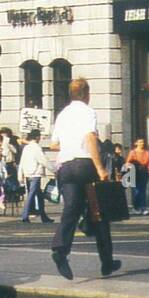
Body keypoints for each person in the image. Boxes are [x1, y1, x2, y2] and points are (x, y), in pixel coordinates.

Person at [49, 78, 120, 280]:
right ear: (86, 94)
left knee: (71, 208)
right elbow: (89, 139)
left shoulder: (62, 114)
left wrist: (70, 144)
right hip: (84, 165)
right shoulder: (88, 112)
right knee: (100, 212)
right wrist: (100, 168)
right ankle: (107, 261)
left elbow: (54, 144)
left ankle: (60, 250)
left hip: (65, 167)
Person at [18, 131, 54, 224]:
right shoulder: (36, 148)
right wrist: (54, 170)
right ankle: (25, 215)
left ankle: (43, 216)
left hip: (28, 173)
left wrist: (20, 174)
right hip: (35, 174)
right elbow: (44, 160)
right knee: (31, 195)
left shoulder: (26, 147)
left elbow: (22, 162)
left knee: (39, 195)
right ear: (37, 137)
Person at [124, 139, 149, 215]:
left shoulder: (146, 153)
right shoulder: (133, 152)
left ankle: (143, 208)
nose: (142, 143)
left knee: (142, 190)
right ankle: (136, 207)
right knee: (136, 191)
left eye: (142, 142)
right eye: (140, 142)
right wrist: (128, 166)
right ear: (136, 143)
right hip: (135, 172)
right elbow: (128, 162)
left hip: (143, 172)